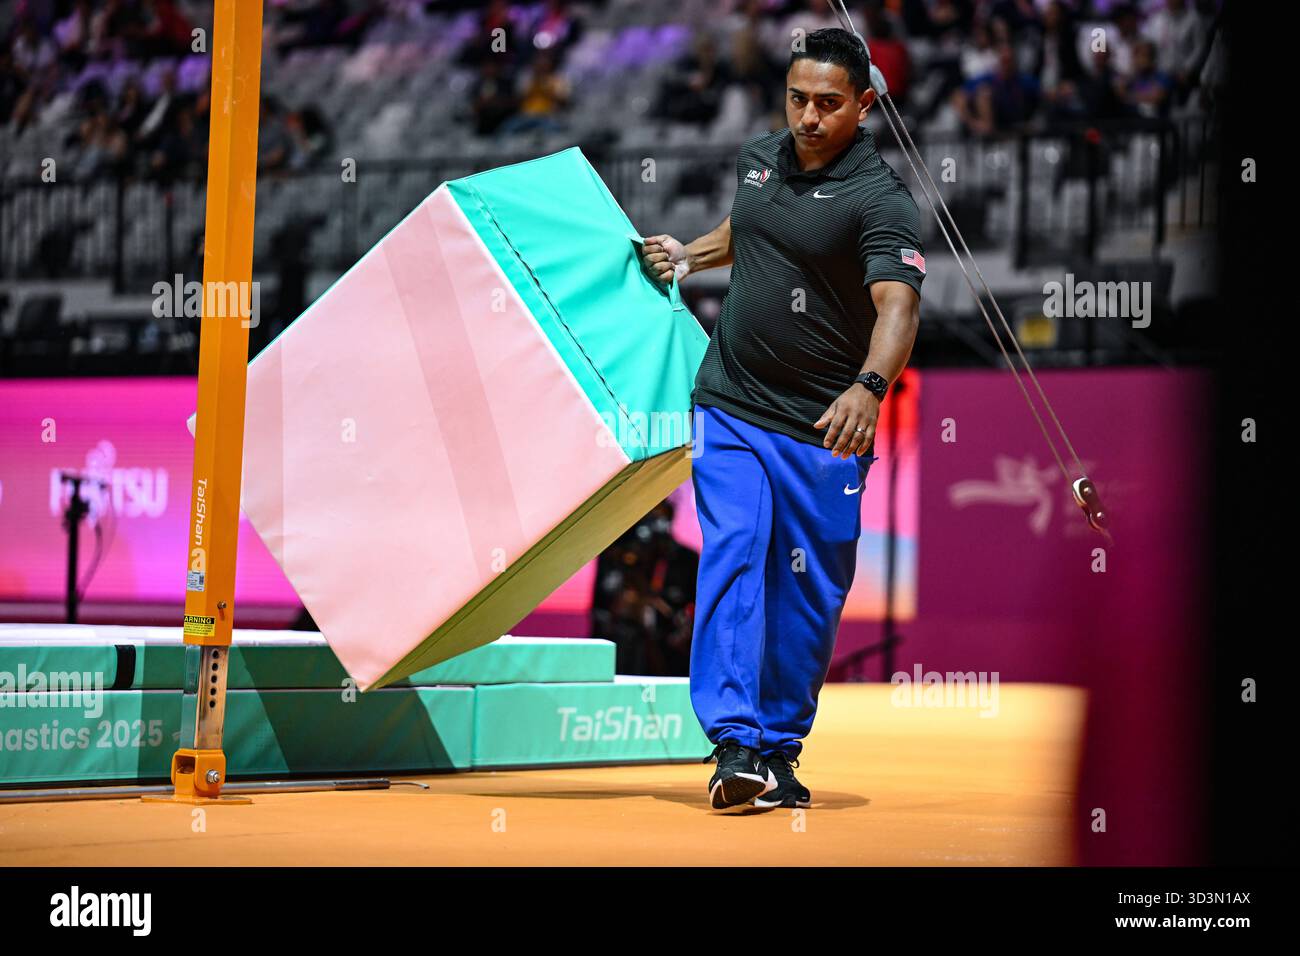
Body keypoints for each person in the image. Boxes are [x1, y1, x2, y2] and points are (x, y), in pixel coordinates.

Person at [640, 28, 924, 812]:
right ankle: (733, 743)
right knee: (732, 550)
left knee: (808, 596)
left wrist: (869, 386)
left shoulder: (881, 202)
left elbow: (897, 306)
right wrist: (691, 256)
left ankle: (778, 746)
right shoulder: (759, 158)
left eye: (828, 104)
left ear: (865, 104)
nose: (808, 115)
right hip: (730, 402)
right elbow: (751, 226)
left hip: (823, 431)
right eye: (797, 97)